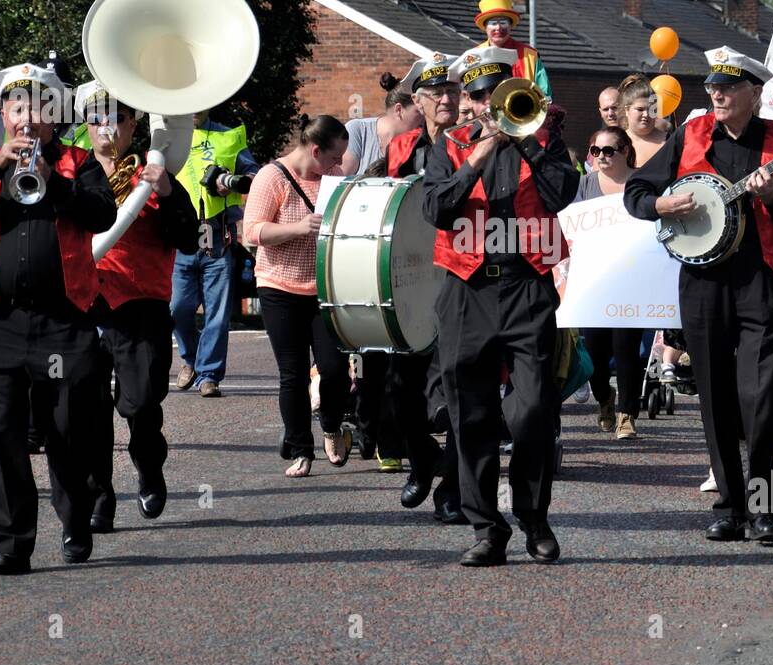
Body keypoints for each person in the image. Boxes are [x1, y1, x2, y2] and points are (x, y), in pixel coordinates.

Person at [625, 46, 773, 544]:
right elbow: (637, 191)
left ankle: (764, 507)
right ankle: (730, 506)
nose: (718, 94)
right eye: (714, 87)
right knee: (714, 393)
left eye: (729, 87)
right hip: (703, 282)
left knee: (761, 393)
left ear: (754, 93)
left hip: (762, 279)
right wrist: (661, 204)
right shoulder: (690, 133)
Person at [0, 63, 117, 574]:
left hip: (63, 322)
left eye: (37, 108)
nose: (26, 118)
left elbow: (101, 214)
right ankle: (12, 543)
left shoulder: (79, 162)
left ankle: (76, 519)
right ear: (5, 115)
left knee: (68, 432)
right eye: (16, 108)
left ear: (54, 117)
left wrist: (54, 182)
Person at [423, 49, 578, 567]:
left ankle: (534, 516)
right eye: (478, 96)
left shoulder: (543, 139)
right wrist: (478, 156)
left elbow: (561, 194)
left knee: (533, 409)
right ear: (467, 102)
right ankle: (487, 528)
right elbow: (436, 209)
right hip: (466, 291)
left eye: (496, 93)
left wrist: (525, 140)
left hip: (526, 286)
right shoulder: (449, 147)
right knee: (470, 415)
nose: (488, 103)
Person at [80, 82, 198, 531]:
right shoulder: (73, 176)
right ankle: (99, 498)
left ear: (133, 125)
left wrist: (166, 191)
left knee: (142, 403)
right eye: (95, 118)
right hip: (85, 304)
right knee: (87, 410)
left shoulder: (154, 174)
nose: (105, 127)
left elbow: (188, 239)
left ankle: (149, 467)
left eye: (116, 117)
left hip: (141, 305)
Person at [363, 52, 468, 522]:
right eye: (436, 92)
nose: (446, 99)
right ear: (418, 101)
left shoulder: (474, 141)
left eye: (452, 91)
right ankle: (423, 459)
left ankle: (453, 488)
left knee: (460, 387)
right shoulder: (401, 147)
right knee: (400, 388)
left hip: (462, 272)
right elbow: (379, 199)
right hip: (412, 277)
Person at [242, 116, 351, 479]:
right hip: (278, 288)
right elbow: (252, 231)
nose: (338, 164)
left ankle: (332, 425)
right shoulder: (271, 177)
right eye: (334, 157)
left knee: (334, 369)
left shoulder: (333, 178)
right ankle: (302, 450)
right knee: (293, 373)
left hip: (324, 288)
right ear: (315, 150)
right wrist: (299, 228)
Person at [171, 109, 259, 398]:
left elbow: (255, 175)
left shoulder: (228, 136)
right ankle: (191, 358)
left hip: (219, 234)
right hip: (181, 235)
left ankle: (208, 375)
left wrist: (230, 180)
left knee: (217, 313)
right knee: (177, 309)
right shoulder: (168, 135)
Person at [576, 126, 643, 440]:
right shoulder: (585, 185)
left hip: (632, 278)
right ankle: (604, 398)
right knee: (594, 352)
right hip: (595, 280)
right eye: (595, 151)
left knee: (627, 349)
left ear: (625, 151)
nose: (601, 156)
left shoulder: (641, 182)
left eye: (608, 150)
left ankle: (627, 414)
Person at [341, 73, 424, 176]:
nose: (426, 116)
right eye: (419, 111)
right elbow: (339, 180)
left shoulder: (423, 142)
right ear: (399, 110)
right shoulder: (359, 131)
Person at [474, 0, 550, 97]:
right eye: (493, 23)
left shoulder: (530, 55)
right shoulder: (475, 56)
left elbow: (545, 94)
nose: (498, 28)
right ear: (485, 27)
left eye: (503, 22)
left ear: (510, 26)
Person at [616, 74, 666, 167]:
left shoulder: (669, 142)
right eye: (640, 109)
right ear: (627, 110)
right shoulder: (616, 142)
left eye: (651, 109)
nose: (646, 114)